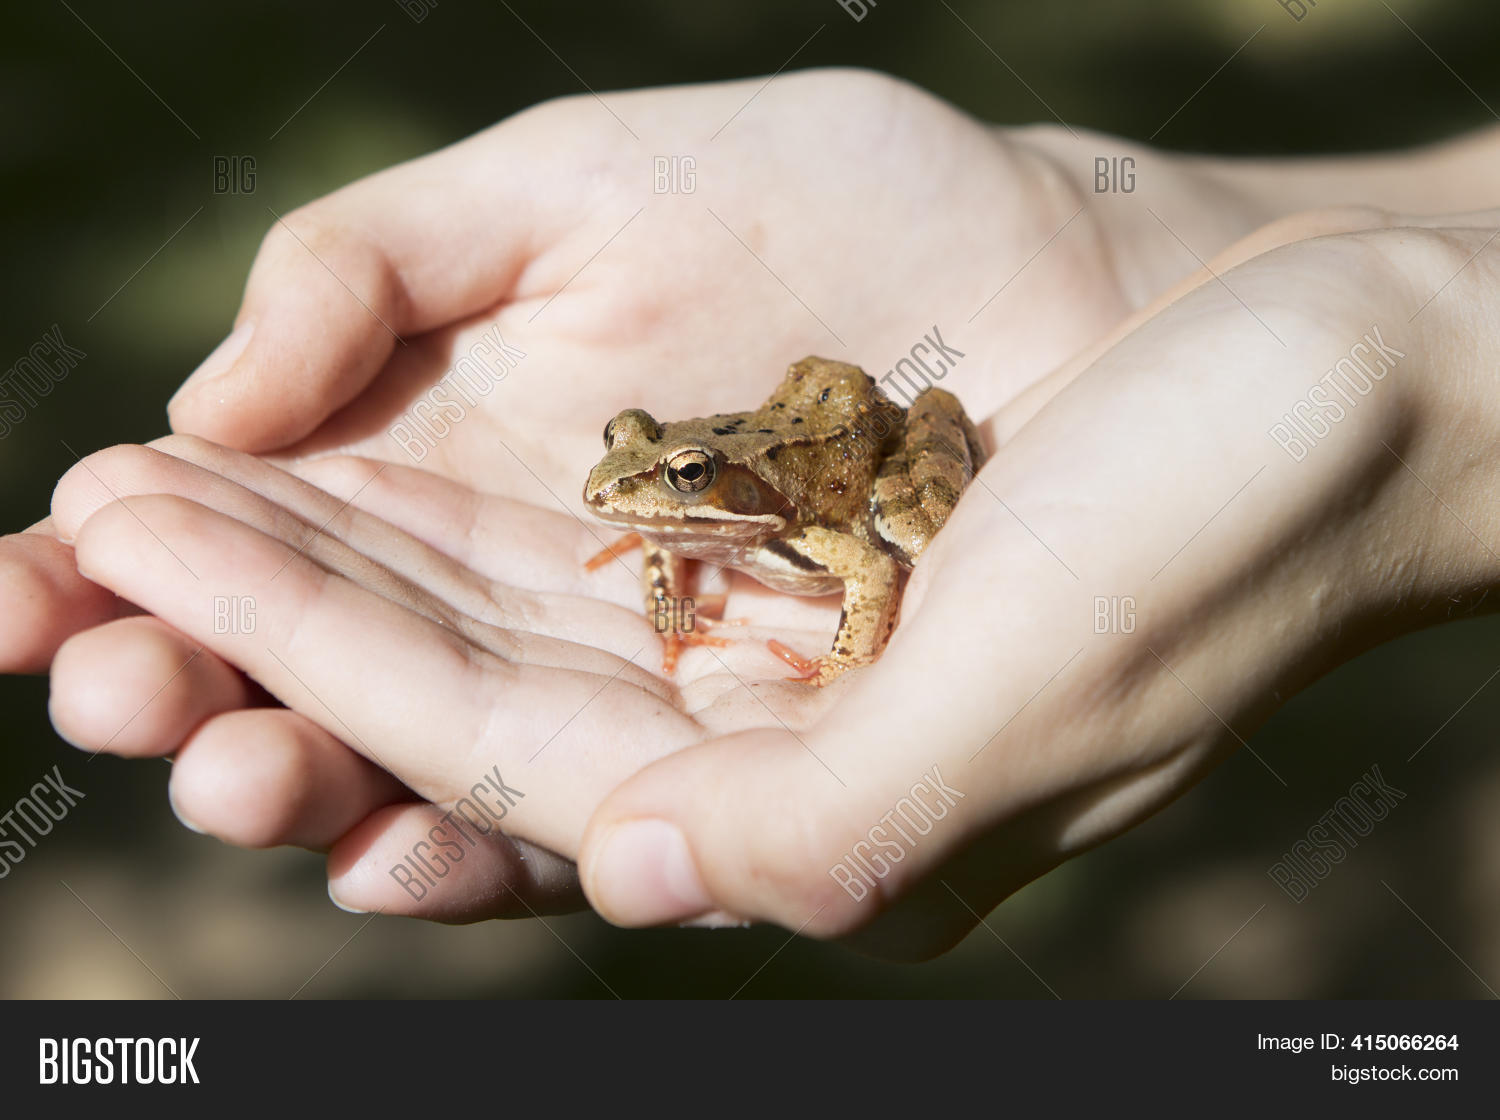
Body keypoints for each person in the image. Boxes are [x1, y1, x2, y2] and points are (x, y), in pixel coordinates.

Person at [5, 69, 1499, 959]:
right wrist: (667, 573)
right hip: (790, 406)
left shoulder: (786, 511)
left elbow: (860, 569)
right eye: (639, 464)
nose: (644, 496)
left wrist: (853, 653)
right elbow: (660, 528)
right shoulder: (680, 510)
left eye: (667, 486)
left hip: (847, 440)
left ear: (712, 490)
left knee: (911, 537)